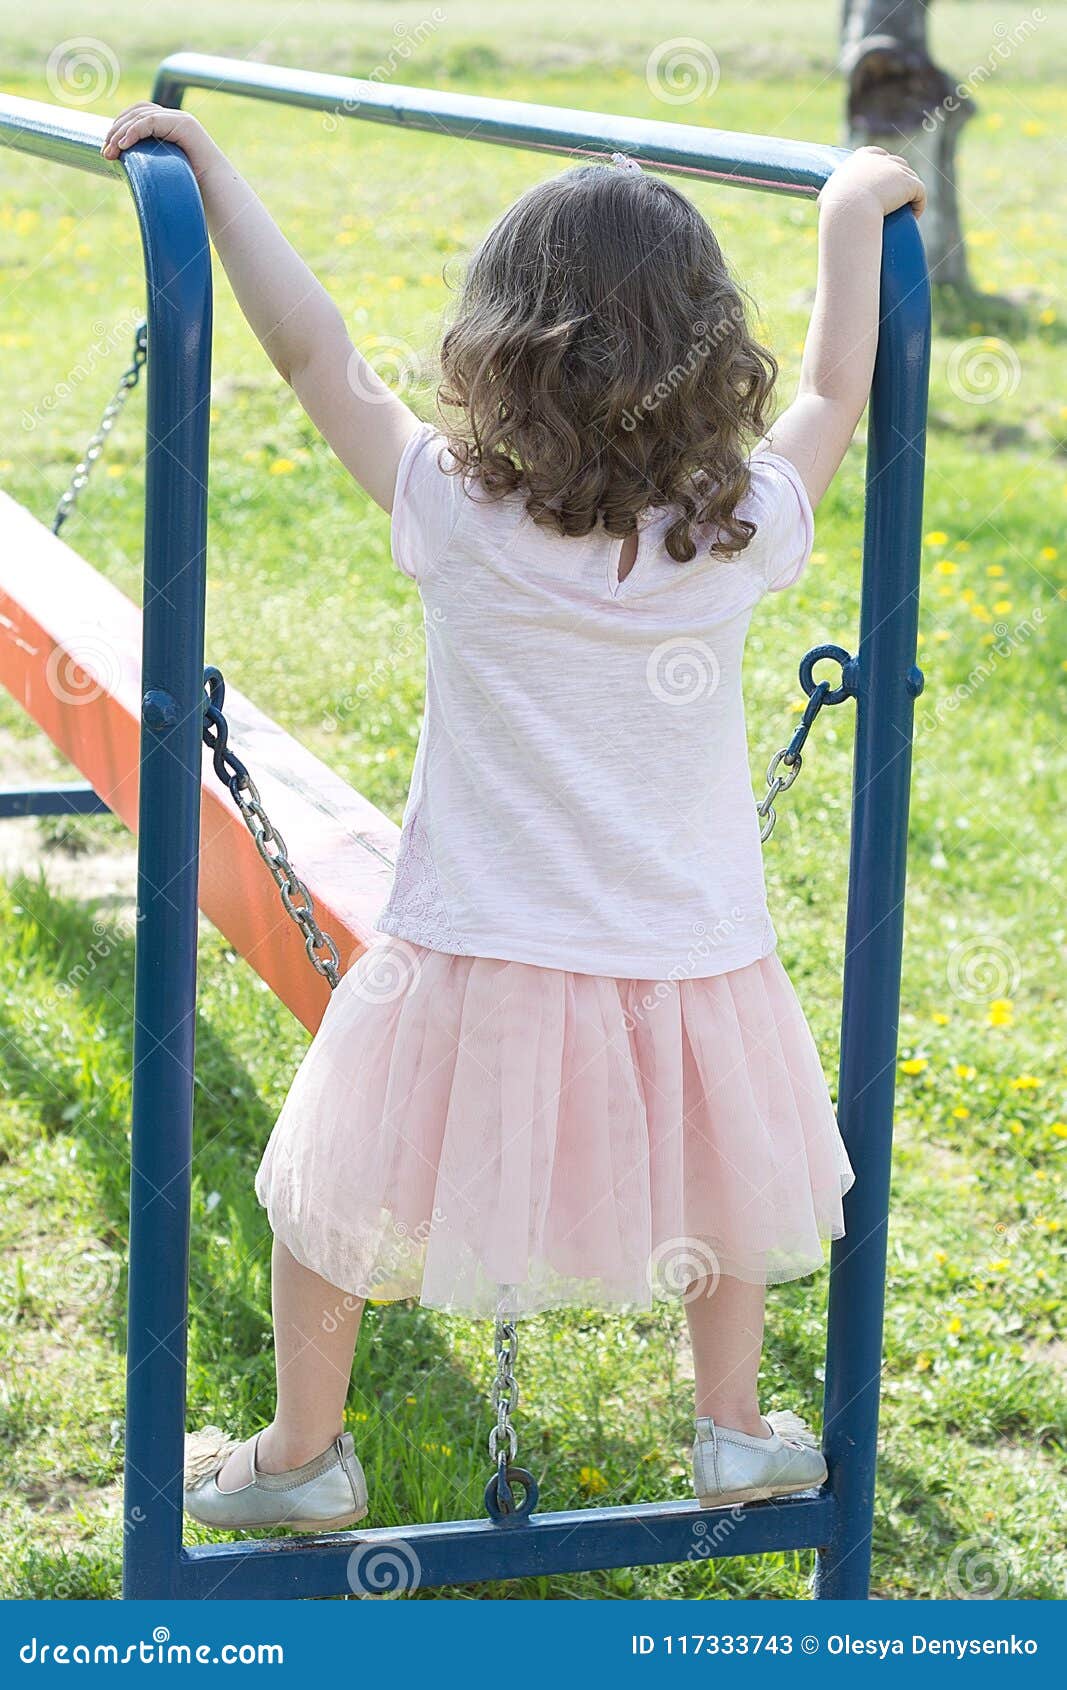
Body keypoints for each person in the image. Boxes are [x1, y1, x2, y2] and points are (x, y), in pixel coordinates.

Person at [102, 105, 925, 1531]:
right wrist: (851, 208)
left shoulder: (457, 515)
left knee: (329, 1196)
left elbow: (316, 354)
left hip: (469, 952)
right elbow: (839, 387)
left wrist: (219, 182)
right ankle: (730, 1428)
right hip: (689, 954)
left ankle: (303, 1451)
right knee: (724, 1186)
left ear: (502, 351)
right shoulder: (736, 535)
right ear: (710, 359)